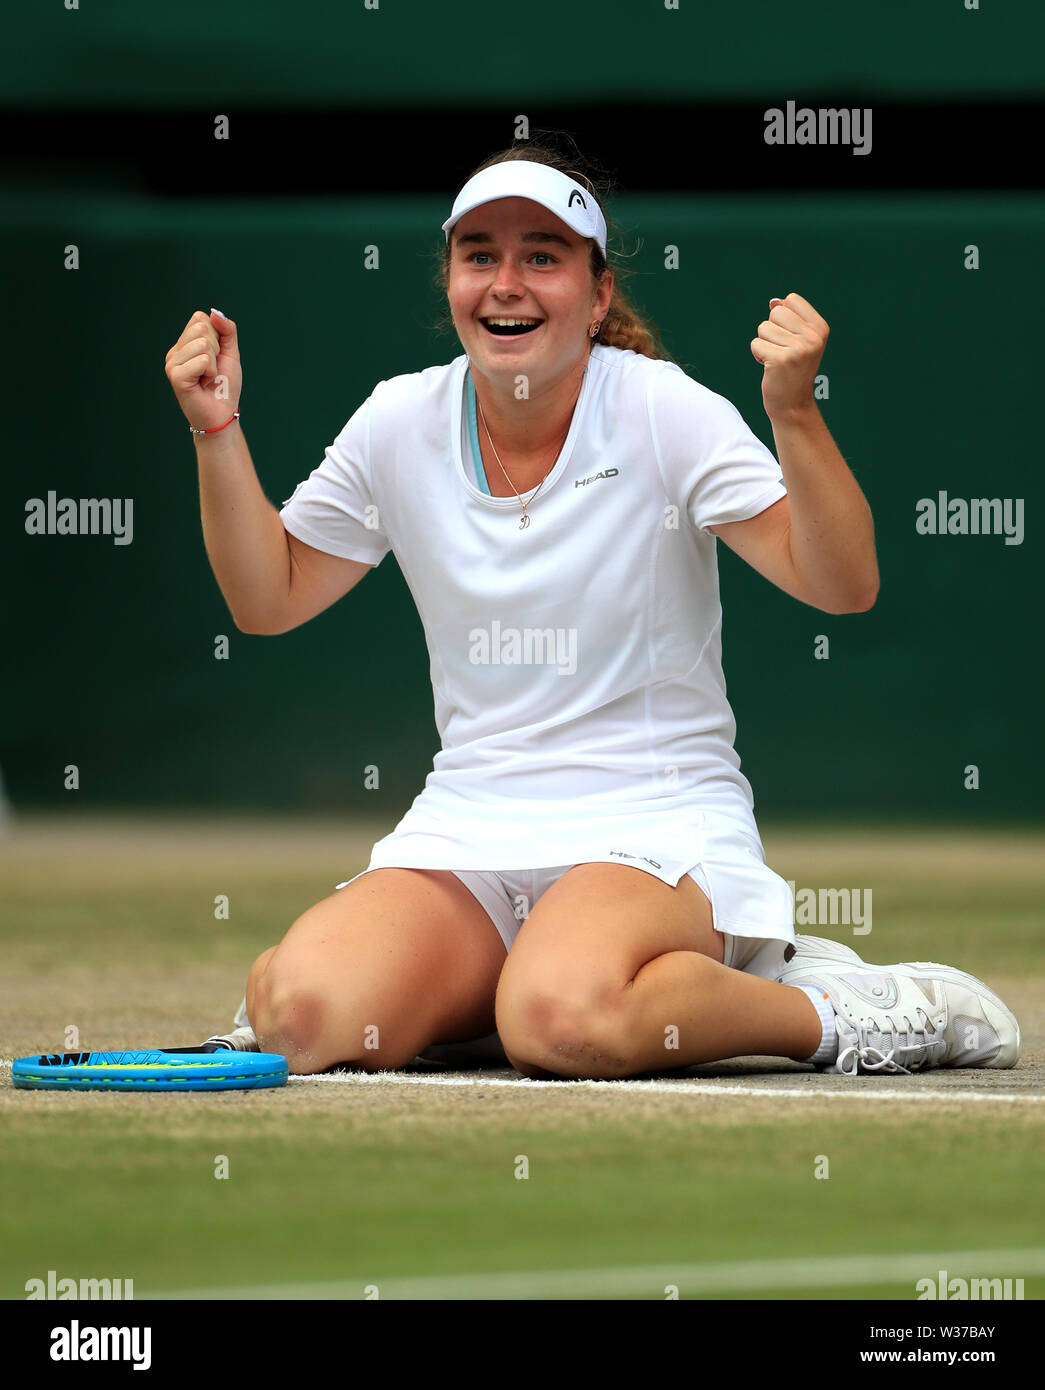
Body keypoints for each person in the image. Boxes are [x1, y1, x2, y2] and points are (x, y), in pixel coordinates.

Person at [165, 137, 1020, 1080]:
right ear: (449, 279)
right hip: (468, 827)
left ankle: (826, 1007)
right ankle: (512, 985)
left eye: (542, 255)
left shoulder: (662, 410)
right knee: (301, 1017)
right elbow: (267, 598)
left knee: (564, 1022)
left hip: (656, 825)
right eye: (479, 255)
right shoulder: (396, 419)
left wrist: (795, 413)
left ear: (598, 291)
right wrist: (216, 429)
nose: (506, 283)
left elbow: (841, 584)